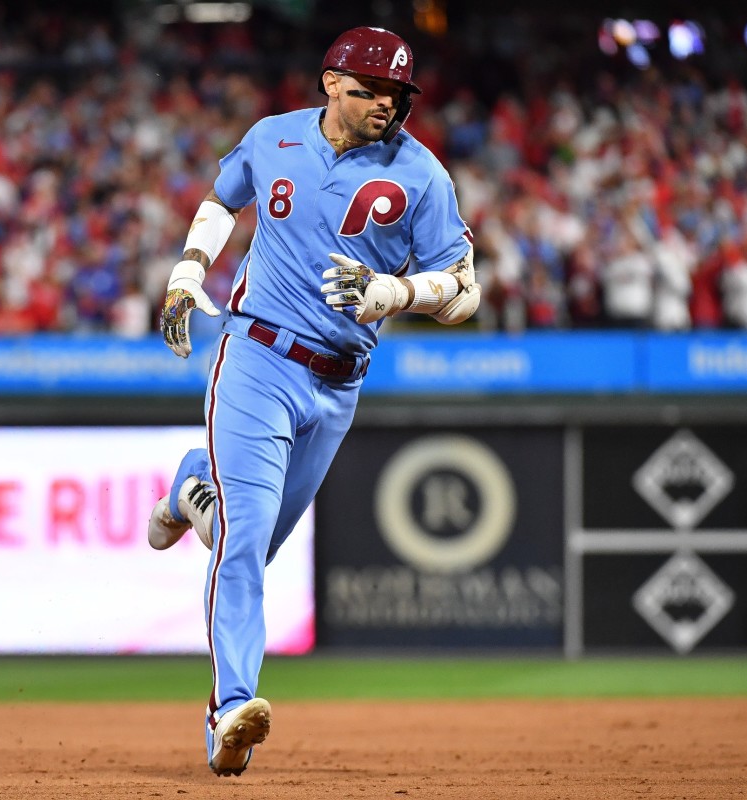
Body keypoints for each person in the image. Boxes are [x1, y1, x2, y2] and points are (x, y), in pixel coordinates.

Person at [146, 26, 481, 777]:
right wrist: (187, 271)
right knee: (243, 539)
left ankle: (188, 486)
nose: (385, 106)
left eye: (397, 95)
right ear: (330, 83)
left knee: (250, 545)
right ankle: (231, 710)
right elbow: (220, 199)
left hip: (338, 382)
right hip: (257, 357)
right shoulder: (273, 138)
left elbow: (465, 290)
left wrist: (397, 291)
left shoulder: (422, 175)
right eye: (369, 91)